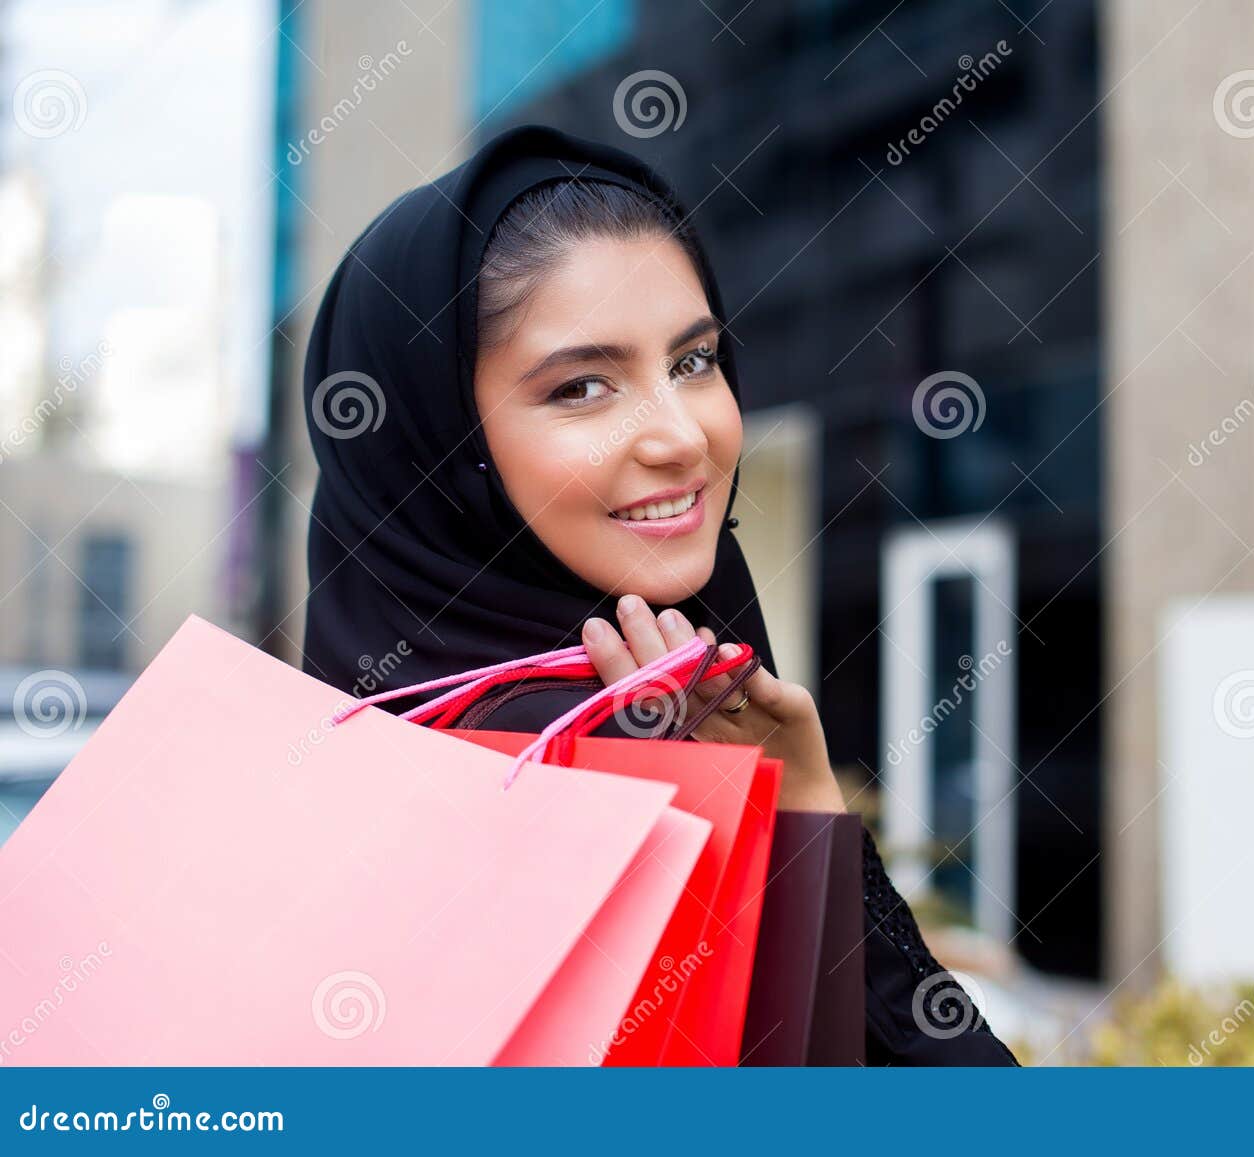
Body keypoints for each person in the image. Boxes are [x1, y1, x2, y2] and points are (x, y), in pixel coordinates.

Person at [300, 124, 1017, 1066]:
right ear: (439, 443)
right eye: (584, 387)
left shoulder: (344, 758)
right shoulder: (560, 772)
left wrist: (793, 807)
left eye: (693, 362)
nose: (679, 436)